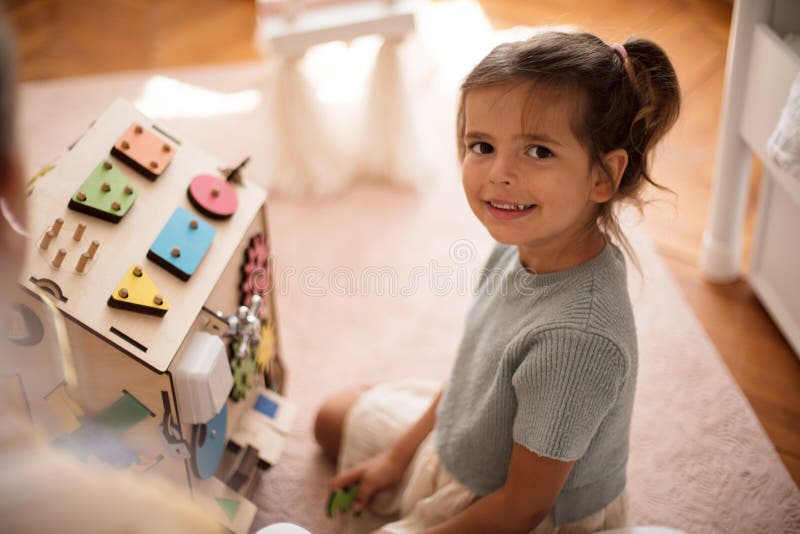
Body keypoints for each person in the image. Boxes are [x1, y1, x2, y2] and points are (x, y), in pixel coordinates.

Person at [314, 30, 680, 533]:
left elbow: (522, 508)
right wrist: (397, 458)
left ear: (603, 176)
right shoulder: (519, 247)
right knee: (330, 418)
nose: (499, 174)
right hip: (468, 443)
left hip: (513, 510)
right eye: (482, 146)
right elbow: (472, 368)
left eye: (539, 152)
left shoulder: (578, 339)